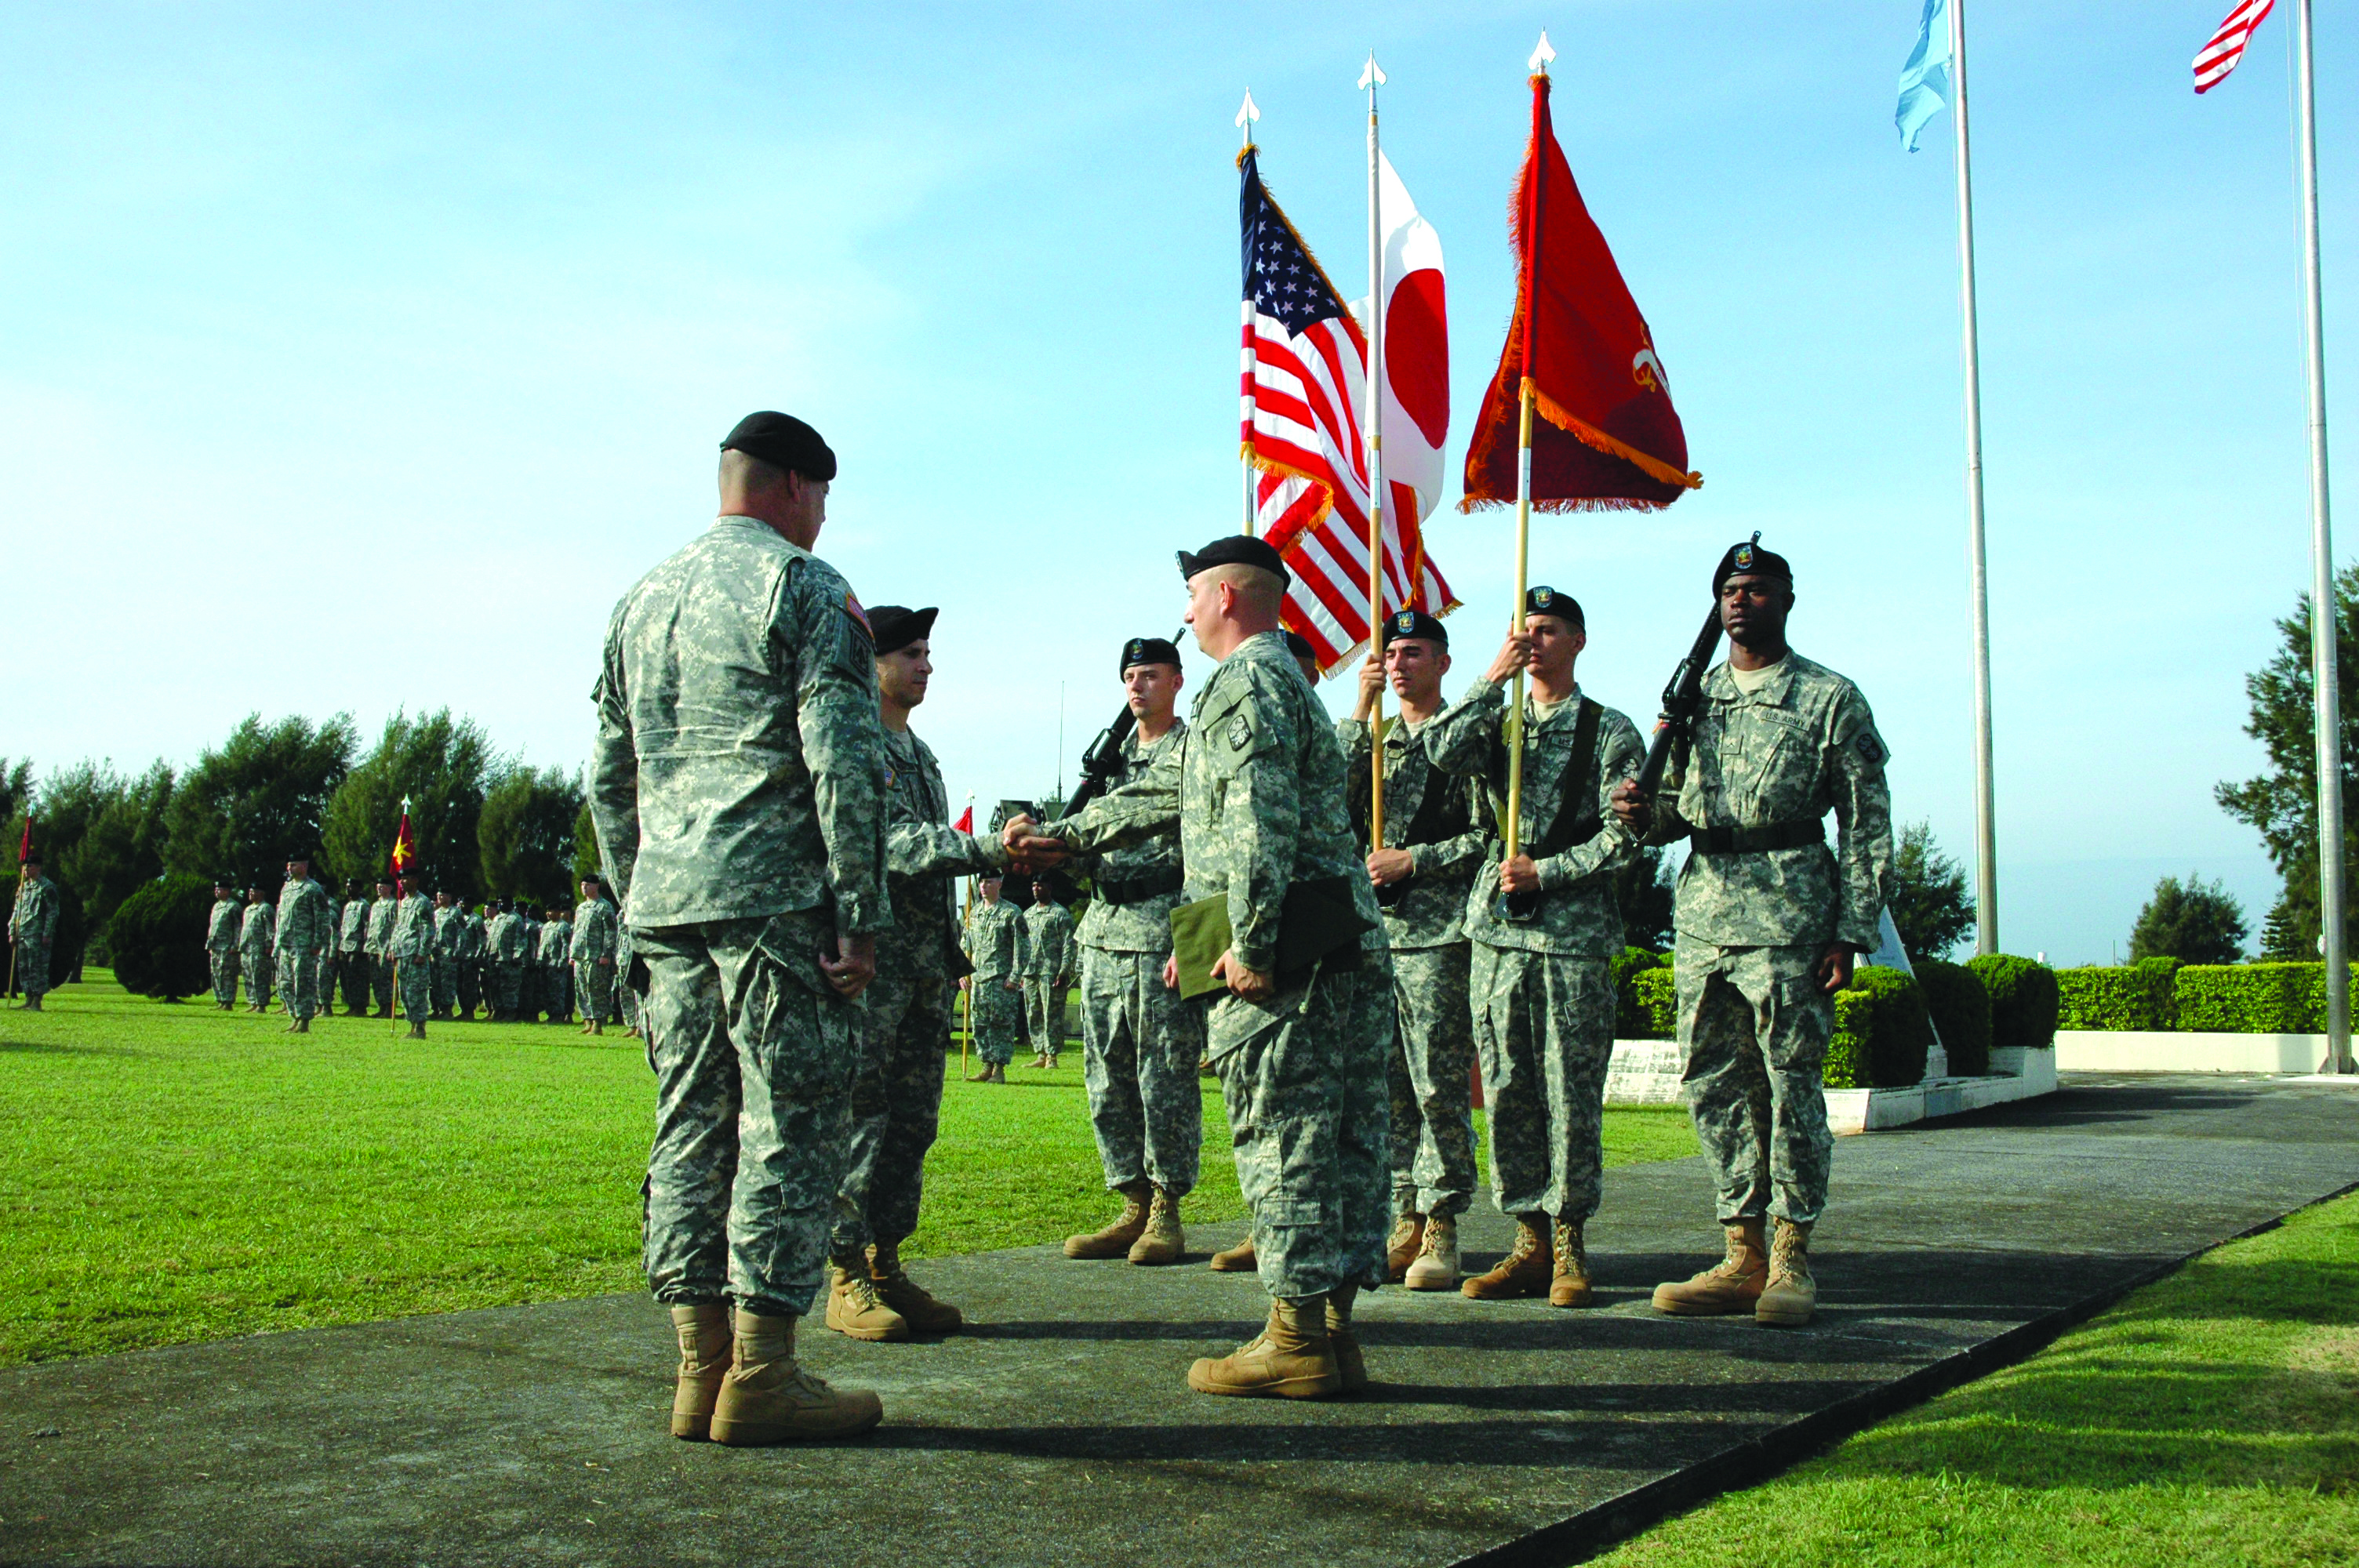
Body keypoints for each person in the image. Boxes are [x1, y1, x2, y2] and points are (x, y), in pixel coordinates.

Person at [1020, 535, 1388, 1399]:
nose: (1184, 614)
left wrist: (1251, 948)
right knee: (1342, 1139)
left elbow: (1255, 825)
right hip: (1331, 936)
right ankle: (1332, 1334)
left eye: (1190, 596)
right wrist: (1060, 836)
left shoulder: (1243, 681)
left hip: (1285, 951)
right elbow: (1170, 797)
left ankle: (1294, 1336)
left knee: (1286, 1134)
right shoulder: (1282, 680)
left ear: (1223, 594)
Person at [589, 408, 889, 1444]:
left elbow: (607, 775)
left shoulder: (640, 599)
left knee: (688, 1127)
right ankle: (762, 1374)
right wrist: (859, 912)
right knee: (787, 1128)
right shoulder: (805, 587)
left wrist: (636, 892)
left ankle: (695, 1374)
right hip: (772, 904)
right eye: (822, 498)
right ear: (797, 488)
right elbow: (843, 762)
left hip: (666, 906)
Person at [1612, 537, 1895, 1329]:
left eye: (1760, 588)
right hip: (1703, 915)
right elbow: (1672, 812)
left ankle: (1790, 1253)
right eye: (1730, 590)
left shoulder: (1828, 697)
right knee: (1713, 1085)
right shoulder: (1692, 696)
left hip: (1790, 915)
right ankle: (1739, 1250)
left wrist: (1851, 928)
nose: (1742, 600)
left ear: (1786, 599)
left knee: (1790, 1085)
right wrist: (1640, 814)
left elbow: (1866, 823)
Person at [1419, 587, 1644, 1308]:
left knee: (1569, 1093)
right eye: (1524, 630)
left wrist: (1550, 870)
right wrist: (1491, 678)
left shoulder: (1610, 730)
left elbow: (1628, 834)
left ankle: (1571, 1239)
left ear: (1578, 640)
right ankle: (1528, 1237)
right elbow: (1440, 750)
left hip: (1572, 937)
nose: (1535, 641)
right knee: (1511, 1088)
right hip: (1498, 936)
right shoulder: (1500, 721)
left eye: (1548, 631)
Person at [824, 603, 1005, 1344]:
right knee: (861, 1121)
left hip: (925, 971)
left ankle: (886, 1259)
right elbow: (890, 843)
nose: (926, 666)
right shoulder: (856, 743)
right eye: (914, 655)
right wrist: (990, 849)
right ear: (876, 664)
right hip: (875, 971)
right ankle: (844, 1276)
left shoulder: (921, 755)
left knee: (911, 1127)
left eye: (929, 654)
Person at [1339, 609, 1489, 1292]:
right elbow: (1326, 796)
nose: (1399, 663)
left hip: (1438, 933)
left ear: (1444, 663)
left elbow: (1491, 835)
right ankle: (1402, 1213)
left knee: (1435, 1084)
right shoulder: (1375, 742)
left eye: (1415, 652)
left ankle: (1442, 1224)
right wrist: (1360, 704)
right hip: (1374, 935)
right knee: (1384, 1084)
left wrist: (1416, 861)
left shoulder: (1469, 740)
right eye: (1392, 653)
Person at [1058, 636, 1202, 1266]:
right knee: (1106, 1077)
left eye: (1150, 674)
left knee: (1165, 1074)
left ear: (1177, 680)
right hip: (1103, 928)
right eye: (1130, 677)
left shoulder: (1192, 750)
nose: (1138, 686)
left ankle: (1168, 1207)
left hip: (1164, 927)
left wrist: (1198, 942)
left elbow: (1210, 846)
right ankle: (1131, 1202)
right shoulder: (1108, 756)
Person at [961, 873, 1025, 1083]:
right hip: (977, 979)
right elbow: (965, 944)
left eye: (989, 882)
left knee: (1001, 1023)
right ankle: (986, 1065)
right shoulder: (974, 912)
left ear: (1000, 883)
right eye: (981, 882)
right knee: (979, 1024)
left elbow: (1022, 946)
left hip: (1001, 979)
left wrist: (1016, 975)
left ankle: (999, 1069)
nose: (983, 886)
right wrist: (963, 971)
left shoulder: (1011, 912)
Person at [274, 852, 333, 1033]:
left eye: (293, 865)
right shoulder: (286, 888)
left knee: (303, 983)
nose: (289, 869)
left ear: (304, 867)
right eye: (289, 865)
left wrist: (318, 943)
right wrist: (277, 941)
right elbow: (281, 916)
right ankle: (294, 1016)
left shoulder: (312, 889)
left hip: (304, 944)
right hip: (286, 943)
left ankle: (304, 1020)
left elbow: (322, 919)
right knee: (285, 983)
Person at [1021, 880, 1076, 1069]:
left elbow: (1069, 944)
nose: (1036, 889)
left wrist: (1064, 970)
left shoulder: (1060, 914)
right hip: (1030, 971)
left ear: (1049, 888)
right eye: (1034, 885)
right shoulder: (1028, 914)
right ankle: (1040, 1053)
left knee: (1051, 1013)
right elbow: (1022, 944)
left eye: (1040, 885)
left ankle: (1052, 1055)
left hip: (1050, 971)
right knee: (1033, 1013)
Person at [8, 850, 61, 1010]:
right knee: (24, 967)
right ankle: (29, 998)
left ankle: (37, 1000)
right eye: (25, 867)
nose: (26, 870)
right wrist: (12, 930)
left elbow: (53, 912)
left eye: (29, 867)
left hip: (37, 934)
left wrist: (47, 933)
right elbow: (16, 910)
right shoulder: (23, 888)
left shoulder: (47, 887)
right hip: (23, 933)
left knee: (37, 967)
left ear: (38, 868)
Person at [388, 873, 437, 1038]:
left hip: (415, 953)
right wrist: (392, 948)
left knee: (416, 991)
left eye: (407, 878)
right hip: (402, 952)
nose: (403, 882)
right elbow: (398, 928)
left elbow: (428, 929)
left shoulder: (422, 902)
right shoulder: (403, 903)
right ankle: (412, 1025)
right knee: (404, 992)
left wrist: (423, 952)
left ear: (415, 880)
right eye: (401, 879)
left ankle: (420, 1027)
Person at [572, 874, 619, 1036]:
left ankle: (598, 1024)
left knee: (596, 989)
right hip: (580, 955)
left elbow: (611, 932)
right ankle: (587, 1021)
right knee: (581, 989)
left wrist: (606, 953)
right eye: (583, 885)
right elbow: (577, 931)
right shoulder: (581, 908)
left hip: (596, 955)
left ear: (596, 886)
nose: (585, 888)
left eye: (588, 885)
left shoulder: (604, 907)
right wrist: (572, 953)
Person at [486, 898, 526, 1021]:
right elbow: (491, 938)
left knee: (509, 987)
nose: (500, 904)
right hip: (495, 958)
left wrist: (517, 956)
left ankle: (510, 1012)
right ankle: (498, 1011)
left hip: (509, 959)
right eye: (498, 902)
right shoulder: (497, 918)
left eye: (502, 902)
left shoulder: (516, 919)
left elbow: (521, 940)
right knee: (495, 987)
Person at [207, 878, 244, 1009]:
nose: (217, 892)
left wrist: (235, 945)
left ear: (227, 891)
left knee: (227, 974)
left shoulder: (233, 907)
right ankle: (220, 999)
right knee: (216, 973)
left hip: (228, 947)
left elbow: (238, 927)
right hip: (216, 946)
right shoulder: (216, 906)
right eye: (216, 889)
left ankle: (228, 1001)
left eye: (220, 889)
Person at [238, 884, 276, 1013]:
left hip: (259, 948)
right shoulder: (248, 909)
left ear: (261, 893)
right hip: (247, 948)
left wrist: (269, 945)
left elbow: (270, 929)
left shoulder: (266, 908)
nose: (251, 894)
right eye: (250, 891)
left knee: (260, 977)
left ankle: (261, 1004)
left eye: (254, 891)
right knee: (248, 977)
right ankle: (253, 1002)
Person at [336, 880, 371, 1015]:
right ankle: (351, 1004)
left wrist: (365, 946)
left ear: (359, 888)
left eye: (352, 887)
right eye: (347, 887)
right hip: (345, 946)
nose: (349, 889)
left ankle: (360, 1006)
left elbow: (367, 927)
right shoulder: (348, 906)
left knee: (358, 978)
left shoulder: (364, 906)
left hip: (357, 946)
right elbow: (343, 927)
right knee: (347, 978)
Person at [364, 878, 397, 1016]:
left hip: (386, 946)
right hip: (373, 946)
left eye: (382, 887)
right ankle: (381, 1006)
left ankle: (389, 1007)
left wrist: (392, 947)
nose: (379, 889)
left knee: (387, 978)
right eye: (378, 887)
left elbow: (396, 926)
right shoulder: (375, 905)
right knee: (376, 978)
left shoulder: (393, 904)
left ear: (389, 888)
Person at [432, 890, 464, 1019]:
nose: (440, 897)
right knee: (436, 982)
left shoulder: (455, 913)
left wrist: (457, 951)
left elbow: (462, 933)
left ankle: (448, 1009)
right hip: (436, 953)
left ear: (450, 897)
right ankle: (440, 1008)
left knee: (448, 982)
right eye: (438, 895)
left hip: (449, 953)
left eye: (443, 895)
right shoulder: (435, 914)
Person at [456, 898, 487, 1021]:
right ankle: (463, 1010)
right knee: (459, 986)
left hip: (471, 957)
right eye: (461, 904)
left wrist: (478, 956)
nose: (463, 907)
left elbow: (482, 940)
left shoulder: (476, 920)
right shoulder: (458, 919)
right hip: (459, 957)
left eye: (465, 904)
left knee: (469, 986)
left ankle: (470, 1011)